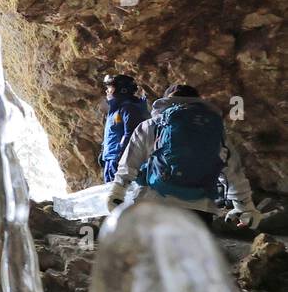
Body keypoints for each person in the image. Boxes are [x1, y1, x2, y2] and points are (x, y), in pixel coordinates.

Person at [107, 84, 262, 228]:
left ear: (166, 101)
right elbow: (231, 170)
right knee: (191, 256)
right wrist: (245, 208)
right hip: (200, 210)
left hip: (155, 204)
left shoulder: (151, 125)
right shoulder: (212, 129)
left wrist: (117, 193)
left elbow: (129, 165)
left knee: (153, 255)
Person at [100, 73, 149, 183]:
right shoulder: (116, 109)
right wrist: (104, 152)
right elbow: (114, 133)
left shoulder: (129, 109)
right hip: (112, 158)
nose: (107, 91)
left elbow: (132, 134)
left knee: (119, 194)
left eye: (110, 88)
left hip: (121, 160)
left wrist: (121, 155)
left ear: (122, 90)